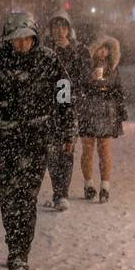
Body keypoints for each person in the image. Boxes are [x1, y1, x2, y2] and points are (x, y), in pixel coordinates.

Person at [0, 11, 75, 270]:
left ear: (34, 36)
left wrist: (69, 131)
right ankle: (15, 246)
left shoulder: (50, 61)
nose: (22, 44)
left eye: (26, 39)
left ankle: (20, 252)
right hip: (5, 139)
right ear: (7, 39)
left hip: (37, 138)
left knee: (27, 196)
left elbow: (65, 99)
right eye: (16, 39)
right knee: (10, 196)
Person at [41, 12, 91, 211]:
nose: (59, 31)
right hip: (48, 107)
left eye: (63, 27)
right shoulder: (43, 50)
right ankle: (58, 192)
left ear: (69, 30)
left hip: (70, 106)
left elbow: (84, 77)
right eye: (55, 27)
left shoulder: (79, 50)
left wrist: (69, 52)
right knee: (52, 150)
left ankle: (63, 193)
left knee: (67, 147)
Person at [78, 35, 126, 203]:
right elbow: (79, 86)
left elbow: (118, 90)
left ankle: (105, 187)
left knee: (104, 150)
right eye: (100, 48)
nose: (103, 52)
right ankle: (88, 184)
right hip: (88, 110)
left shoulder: (113, 69)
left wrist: (120, 110)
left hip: (106, 112)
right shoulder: (86, 66)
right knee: (88, 149)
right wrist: (90, 81)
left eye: (106, 48)